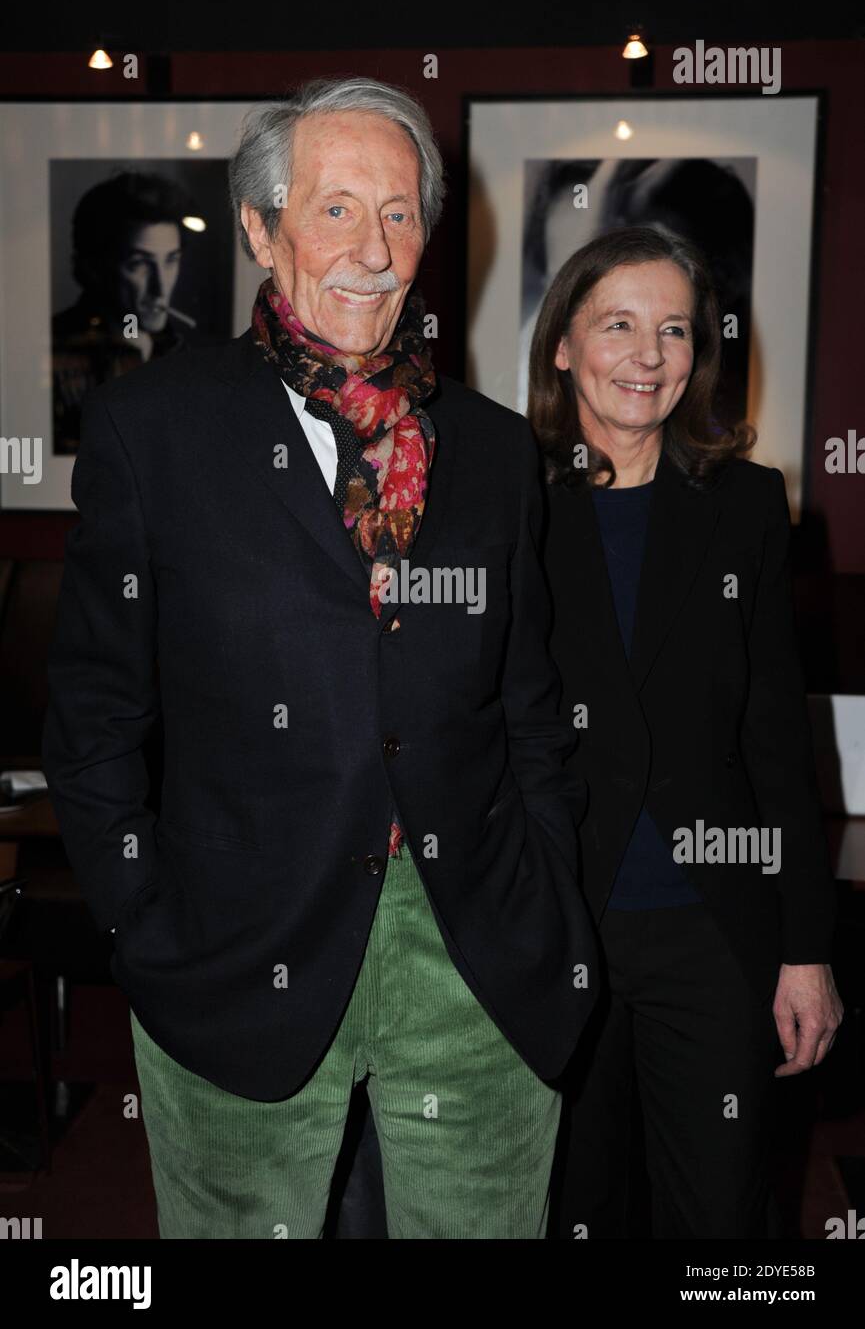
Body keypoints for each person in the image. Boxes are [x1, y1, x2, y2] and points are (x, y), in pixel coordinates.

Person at [41, 76, 597, 1240]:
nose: (374, 249)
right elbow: (95, 719)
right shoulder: (156, 431)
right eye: (335, 209)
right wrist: (145, 929)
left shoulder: (495, 454)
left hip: (478, 942)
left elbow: (532, 710)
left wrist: (546, 882)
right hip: (235, 948)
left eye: (398, 214)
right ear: (258, 227)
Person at [527, 224, 842, 1239]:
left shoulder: (745, 505)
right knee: (574, 1204)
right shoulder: (505, 500)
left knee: (721, 1212)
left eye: (674, 330)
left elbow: (775, 744)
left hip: (710, 927)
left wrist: (805, 950)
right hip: (556, 921)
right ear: (564, 345)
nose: (650, 355)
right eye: (617, 324)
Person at [51, 171, 196, 452]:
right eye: (139, 264)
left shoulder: (185, 355)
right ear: (93, 268)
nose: (160, 287)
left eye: (170, 261)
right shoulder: (55, 355)